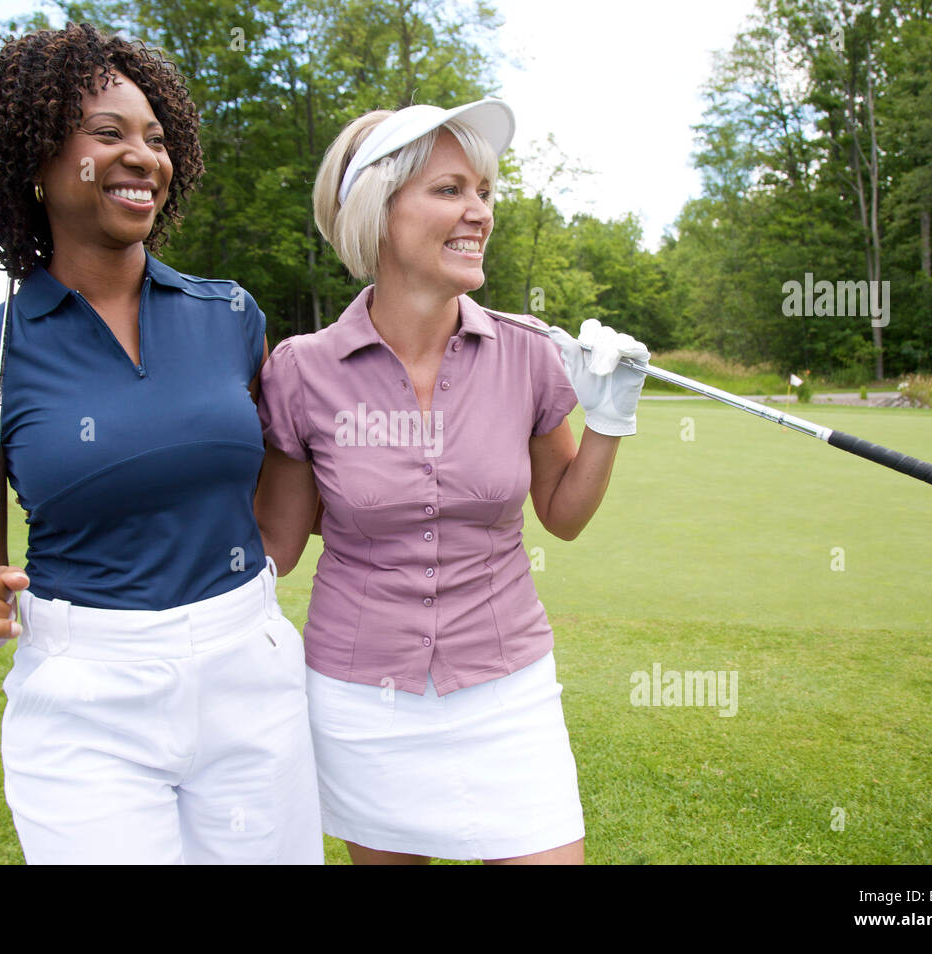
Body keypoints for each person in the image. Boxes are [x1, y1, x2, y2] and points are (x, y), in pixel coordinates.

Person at [0, 22, 321, 864]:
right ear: (34, 161)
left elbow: (272, 491)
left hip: (251, 670)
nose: (145, 156)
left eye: (157, 138)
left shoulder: (232, 316)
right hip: (84, 697)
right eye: (109, 134)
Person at [253, 99, 649, 864]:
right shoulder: (301, 372)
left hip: (508, 689)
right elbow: (277, 542)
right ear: (379, 209)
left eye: (486, 193)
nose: (478, 212)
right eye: (450, 190)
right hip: (363, 697)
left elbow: (561, 516)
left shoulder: (528, 352)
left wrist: (610, 422)